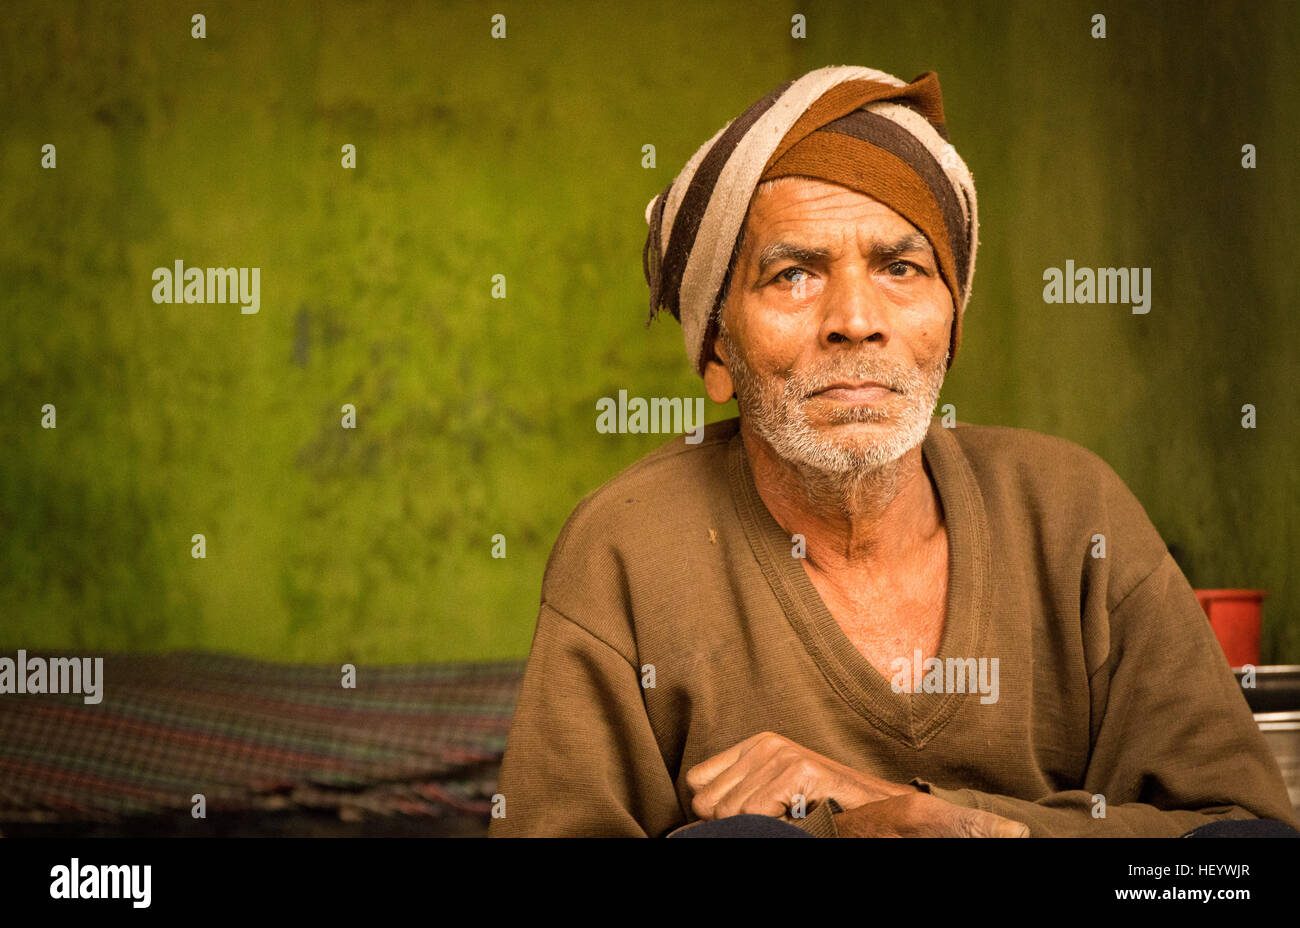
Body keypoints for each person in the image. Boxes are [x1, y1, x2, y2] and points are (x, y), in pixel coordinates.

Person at [489, 66, 1299, 837]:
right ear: (715, 352)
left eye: (902, 267)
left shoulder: (1070, 510)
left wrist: (910, 815)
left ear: (949, 325)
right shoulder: (628, 549)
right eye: (794, 275)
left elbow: (1238, 862)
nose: (855, 319)